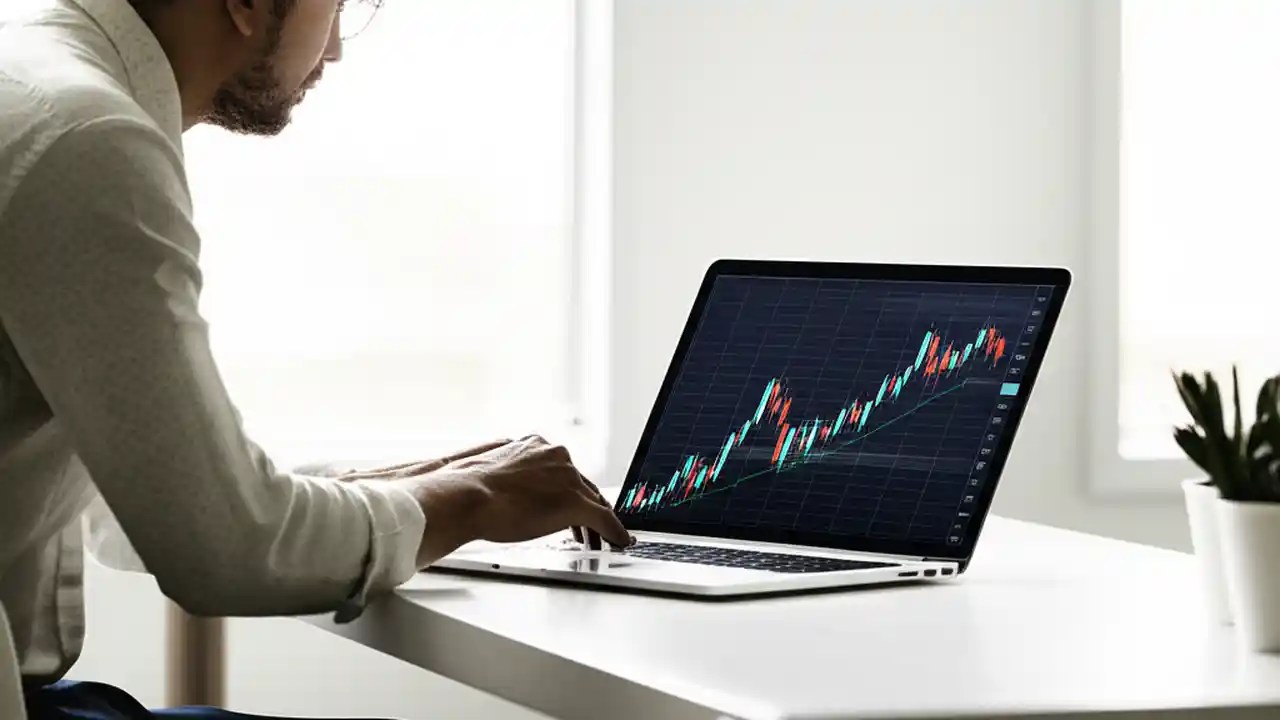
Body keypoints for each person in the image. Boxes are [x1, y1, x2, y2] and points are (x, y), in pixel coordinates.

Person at [0, 0, 633, 717]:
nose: (332, 49)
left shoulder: (32, 86)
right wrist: (479, 499)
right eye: (336, 6)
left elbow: (138, 499)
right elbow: (225, 551)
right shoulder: (88, 140)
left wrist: (406, 483)